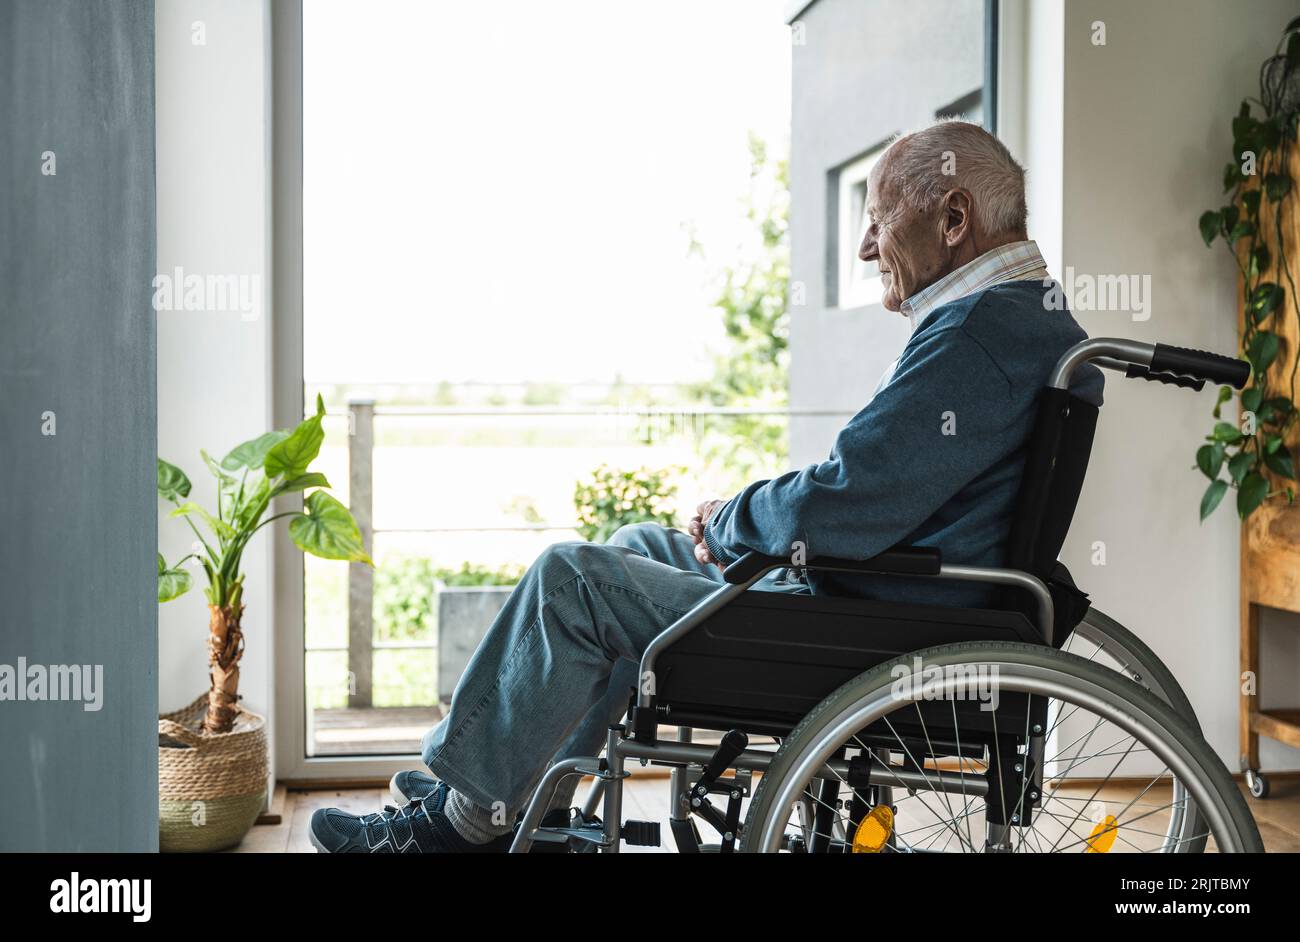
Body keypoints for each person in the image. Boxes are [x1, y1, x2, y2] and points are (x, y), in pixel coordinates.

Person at [309, 120, 1103, 853]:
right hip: (891, 604)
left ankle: (454, 828)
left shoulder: (977, 334)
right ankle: (525, 803)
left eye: (880, 217)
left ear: (954, 218)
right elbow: (875, 486)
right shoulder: (1026, 317)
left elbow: (845, 502)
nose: (866, 247)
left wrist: (729, 520)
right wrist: (747, 521)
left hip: (866, 628)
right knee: (633, 547)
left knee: (572, 582)